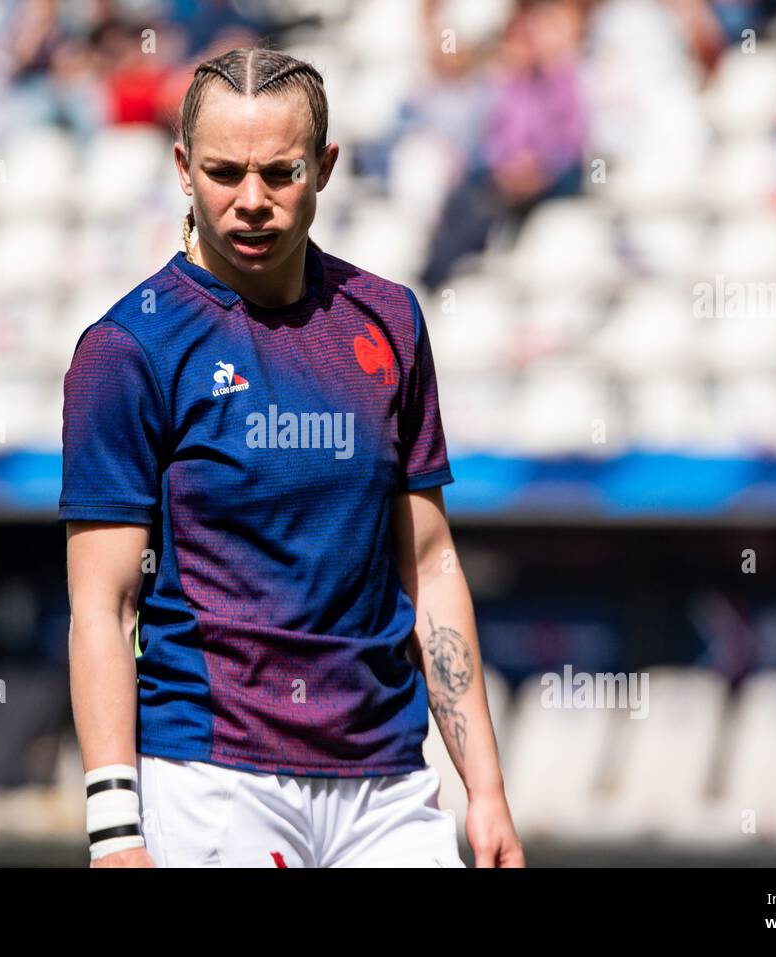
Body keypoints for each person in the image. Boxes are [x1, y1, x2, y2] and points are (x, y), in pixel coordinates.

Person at [62, 47, 524, 868]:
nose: (250, 201)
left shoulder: (390, 321)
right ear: (181, 168)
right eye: (223, 171)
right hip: (212, 778)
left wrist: (483, 788)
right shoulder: (128, 346)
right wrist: (113, 828)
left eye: (279, 173)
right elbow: (104, 605)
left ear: (326, 167)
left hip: (387, 784)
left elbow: (429, 560)